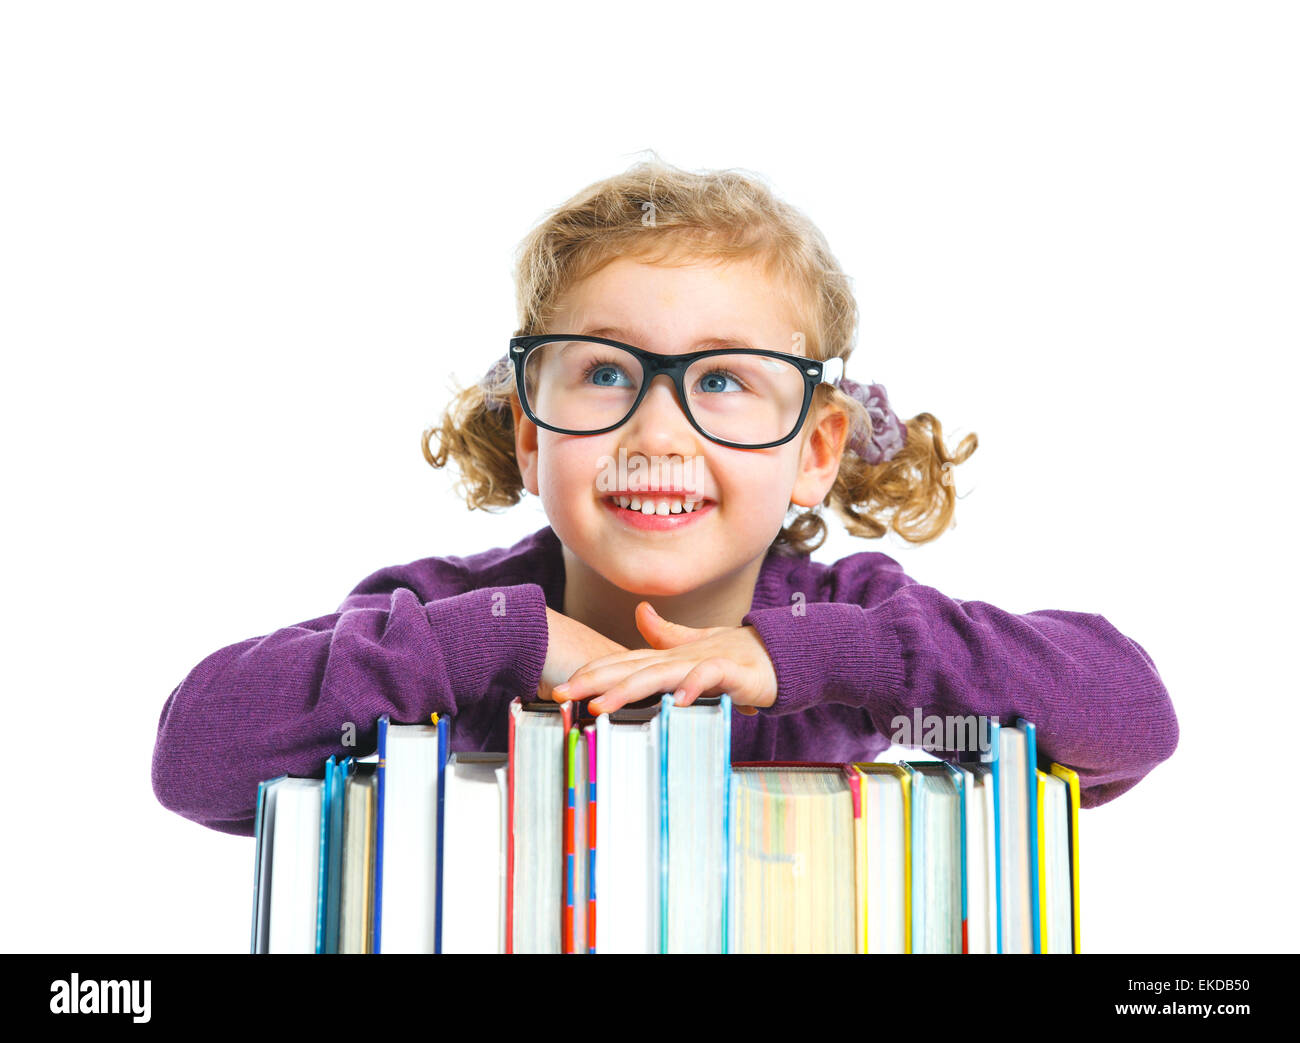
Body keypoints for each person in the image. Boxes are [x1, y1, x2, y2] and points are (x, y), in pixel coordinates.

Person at [152, 158, 1178, 837]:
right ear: (528, 426)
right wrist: (500, 644)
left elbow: (1127, 719)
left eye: (724, 379)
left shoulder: (847, 625)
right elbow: (197, 757)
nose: (657, 430)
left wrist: (815, 659)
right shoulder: (436, 627)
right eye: (604, 372)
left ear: (816, 449)